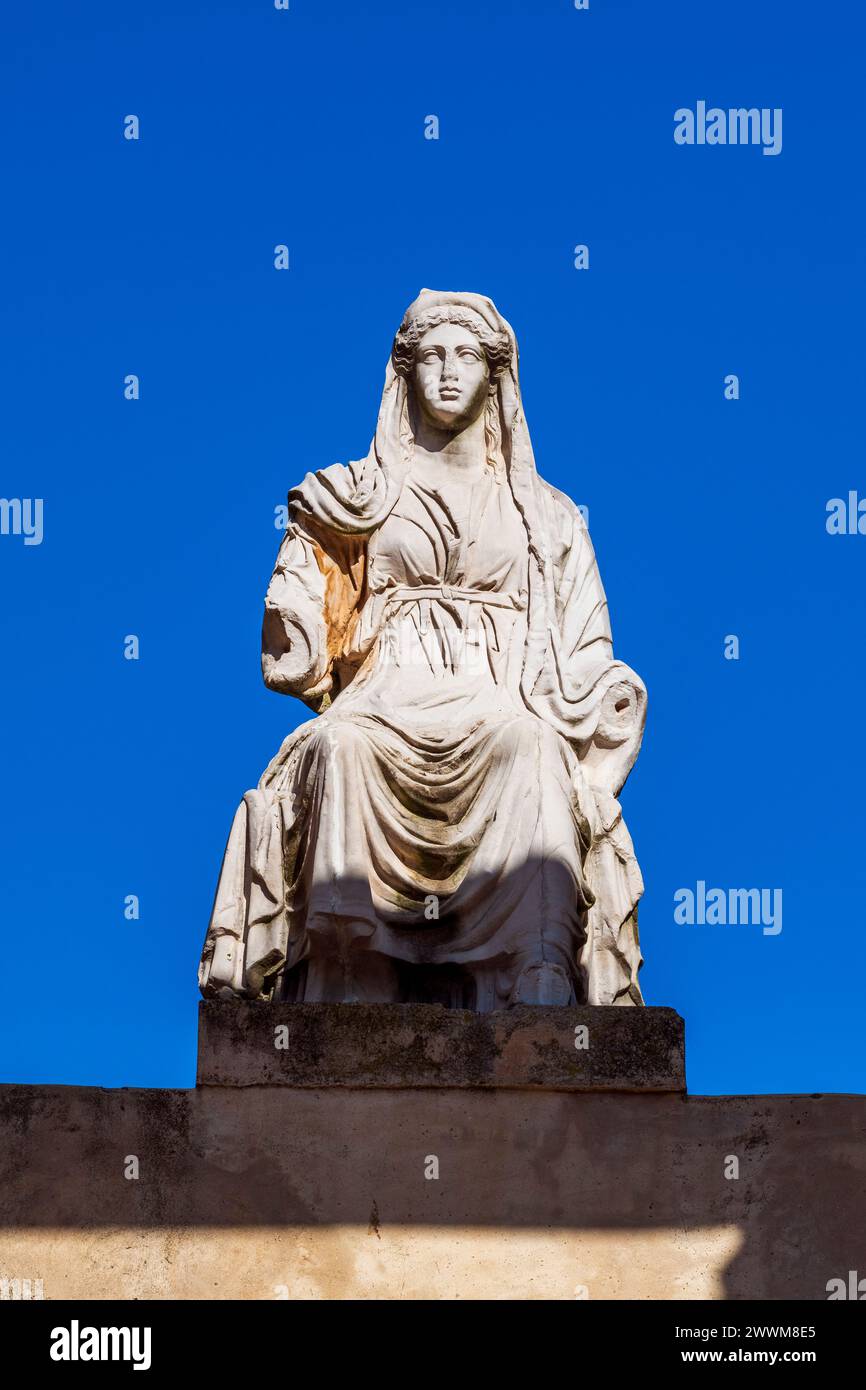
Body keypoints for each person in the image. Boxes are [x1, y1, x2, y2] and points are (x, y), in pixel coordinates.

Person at [199, 290, 646, 1009]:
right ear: (403, 371)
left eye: (465, 355)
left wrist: (603, 693)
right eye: (431, 355)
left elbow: (586, 641)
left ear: (493, 373)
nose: (447, 371)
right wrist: (301, 590)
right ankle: (352, 970)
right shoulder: (358, 495)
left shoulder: (550, 516)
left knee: (532, 751)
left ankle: (535, 972)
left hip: (501, 697)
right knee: (339, 748)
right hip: (384, 691)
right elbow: (305, 618)